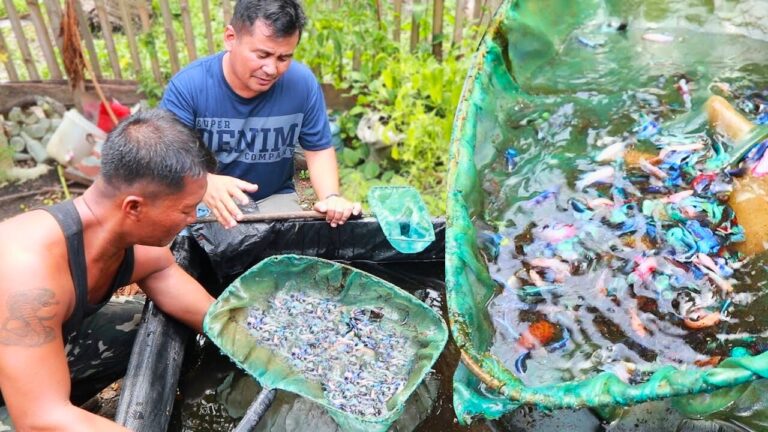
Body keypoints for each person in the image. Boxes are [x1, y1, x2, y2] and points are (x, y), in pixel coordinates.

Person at [0, 109, 217, 431]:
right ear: (134, 207)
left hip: (22, 362)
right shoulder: (28, 270)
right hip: (29, 408)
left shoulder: (123, 238)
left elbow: (171, 279)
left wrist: (255, 342)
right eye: (186, 210)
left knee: (140, 326)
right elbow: (37, 418)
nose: (193, 219)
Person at [160, 0, 361, 229]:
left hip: (273, 198)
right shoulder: (188, 86)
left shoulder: (302, 84)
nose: (272, 69)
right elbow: (164, 158)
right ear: (230, 38)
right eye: (262, 55)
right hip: (204, 198)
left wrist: (331, 198)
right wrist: (203, 181)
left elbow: (318, 150)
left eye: (283, 58)